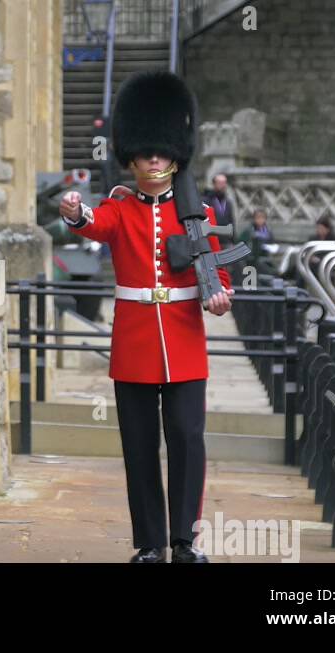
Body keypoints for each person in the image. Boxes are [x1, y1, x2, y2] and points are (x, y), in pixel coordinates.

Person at [59, 71, 233, 564]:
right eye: (145, 153)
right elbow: (95, 222)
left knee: (187, 441)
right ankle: (151, 544)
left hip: (184, 341)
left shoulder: (196, 214)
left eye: (161, 152)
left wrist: (219, 297)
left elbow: (216, 274)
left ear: (176, 154)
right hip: (135, 344)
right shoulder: (122, 206)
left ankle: (185, 541)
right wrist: (74, 210)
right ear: (131, 157)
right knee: (139, 448)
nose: (154, 160)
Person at [237, 209, 276, 277]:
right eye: (258, 217)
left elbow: (272, 244)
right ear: (254, 219)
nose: (260, 220)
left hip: (266, 258)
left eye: (262, 217)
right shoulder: (249, 231)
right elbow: (240, 243)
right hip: (251, 259)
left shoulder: (268, 231)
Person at [202, 173, 235, 246]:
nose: (223, 185)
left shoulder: (228, 202)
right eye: (220, 183)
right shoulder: (207, 201)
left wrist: (233, 240)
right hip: (212, 240)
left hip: (226, 241)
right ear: (214, 184)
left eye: (224, 182)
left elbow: (231, 221)